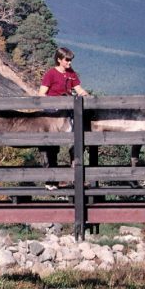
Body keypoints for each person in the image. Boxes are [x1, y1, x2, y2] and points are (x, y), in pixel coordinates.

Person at [38, 47, 90, 189]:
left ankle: (75, 177)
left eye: (70, 60)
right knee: (52, 147)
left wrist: (87, 96)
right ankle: (52, 180)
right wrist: (55, 103)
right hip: (53, 114)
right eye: (67, 60)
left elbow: (79, 89)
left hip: (68, 112)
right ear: (59, 59)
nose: (69, 63)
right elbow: (42, 94)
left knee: (78, 142)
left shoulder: (71, 73)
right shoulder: (51, 74)